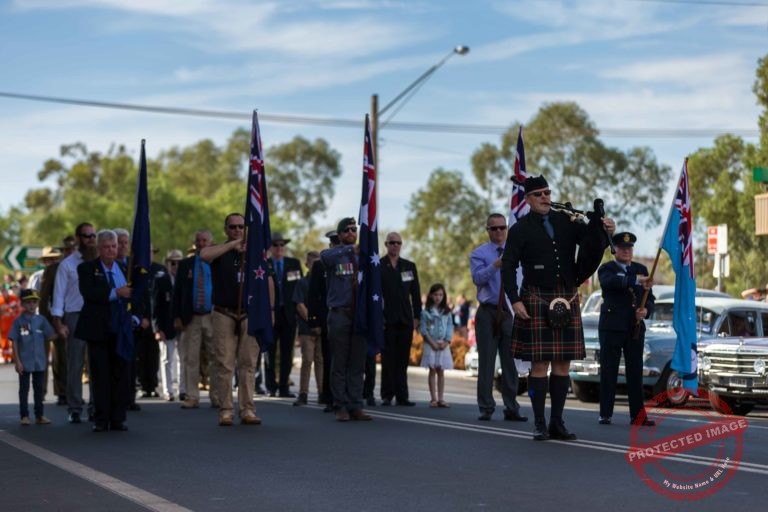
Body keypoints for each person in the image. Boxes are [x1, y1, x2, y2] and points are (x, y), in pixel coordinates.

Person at [502, 175, 615, 441]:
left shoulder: (565, 220)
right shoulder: (520, 229)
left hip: (566, 295)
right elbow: (508, 266)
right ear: (528, 199)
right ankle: (539, 423)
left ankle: (557, 422)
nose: (545, 198)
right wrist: (514, 300)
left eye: (547, 192)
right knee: (539, 365)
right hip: (534, 298)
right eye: (538, 194)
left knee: (563, 364)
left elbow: (590, 239)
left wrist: (604, 229)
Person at [75, 229, 140, 432]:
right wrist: (114, 292)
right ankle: (101, 418)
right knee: (100, 375)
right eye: (107, 247)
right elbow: (89, 293)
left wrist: (135, 317)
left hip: (121, 330)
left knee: (121, 374)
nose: (111, 250)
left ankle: (118, 418)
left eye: (114, 246)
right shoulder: (87, 269)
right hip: (98, 330)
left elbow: (134, 296)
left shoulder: (125, 268)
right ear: (99, 248)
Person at [200, 213, 262, 426]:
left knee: (247, 364)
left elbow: (269, 280)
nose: (237, 230)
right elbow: (204, 255)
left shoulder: (255, 253)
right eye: (233, 227)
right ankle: (226, 409)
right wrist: (233, 245)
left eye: (241, 227)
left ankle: (247, 409)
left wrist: (270, 312)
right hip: (223, 312)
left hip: (248, 313)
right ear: (226, 230)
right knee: (224, 363)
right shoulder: (220, 251)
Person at [470, 213, 527, 423]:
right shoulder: (479, 253)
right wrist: (496, 265)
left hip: (508, 311)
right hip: (488, 311)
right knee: (486, 362)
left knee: (510, 362)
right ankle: (486, 407)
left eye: (502, 227)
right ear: (488, 230)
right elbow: (477, 278)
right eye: (494, 228)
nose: (499, 232)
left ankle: (511, 407)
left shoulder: (516, 251)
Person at [597, 232, 655, 426]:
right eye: (622, 248)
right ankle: (605, 413)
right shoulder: (607, 269)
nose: (626, 251)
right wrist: (637, 281)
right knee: (609, 370)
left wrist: (645, 311)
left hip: (634, 328)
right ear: (615, 250)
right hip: (612, 327)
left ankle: (638, 415)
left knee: (635, 371)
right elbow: (610, 283)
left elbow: (650, 298)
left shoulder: (641, 269)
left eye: (629, 248)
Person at [320, 217, 372, 422]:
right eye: (347, 230)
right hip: (340, 314)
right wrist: (350, 250)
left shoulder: (365, 258)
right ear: (340, 235)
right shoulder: (335, 254)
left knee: (357, 363)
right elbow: (325, 257)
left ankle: (355, 405)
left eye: (354, 229)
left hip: (358, 315)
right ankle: (340, 405)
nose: (352, 232)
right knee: (339, 362)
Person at [51, 222, 98, 424]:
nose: (90, 239)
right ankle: (75, 407)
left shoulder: (101, 262)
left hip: (97, 315)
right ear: (78, 238)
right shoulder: (68, 265)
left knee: (97, 363)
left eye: (93, 236)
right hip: (75, 315)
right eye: (86, 236)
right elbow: (58, 296)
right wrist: (59, 323)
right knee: (75, 363)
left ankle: (96, 406)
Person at [377, 232, 421, 407]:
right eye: (392, 243)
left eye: (398, 243)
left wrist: (417, 317)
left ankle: (402, 396)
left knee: (402, 360)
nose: (395, 245)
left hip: (405, 319)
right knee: (388, 359)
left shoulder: (409, 266)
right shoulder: (379, 265)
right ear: (386, 244)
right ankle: (387, 395)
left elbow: (415, 294)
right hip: (386, 320)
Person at [174, 230, 216, 408]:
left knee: (217, 357)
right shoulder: (186, 264)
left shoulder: (218, 263)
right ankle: (192, 396)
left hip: (214, 316)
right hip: (192, 317)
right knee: (191, 358)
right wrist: (176, 316)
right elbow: (177, 292)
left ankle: (217, 396)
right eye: (198, 240)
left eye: (204, 240)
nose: (201, 243)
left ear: (211, 243)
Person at [9, 289, 56, 425]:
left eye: (34, 302)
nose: (31, 305)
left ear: (37, 304)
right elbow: (15, 341)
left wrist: (61, 332)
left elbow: (50, 335)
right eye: (28, 302)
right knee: (24, 389)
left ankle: (39, 415)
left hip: (40, 362)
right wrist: (17, 361)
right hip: (24, 361)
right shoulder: (18, 322)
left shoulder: (41, 320)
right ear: (22, 304)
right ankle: (24, 416)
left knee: (39, 389)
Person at [39, 236, 75, 406]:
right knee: (60, 357)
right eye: (66, 249)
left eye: (72, 249)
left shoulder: (85, 266)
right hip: (58, 318)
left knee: (76, 357)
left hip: (78, 316)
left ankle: (73, 391)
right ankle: (62, 392)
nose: (69, 252)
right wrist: (48, 324)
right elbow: (44, 298)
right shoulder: (53, 269)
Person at [266, 232, 302, 398]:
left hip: (288, 314)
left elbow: (298, 288)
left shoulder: (293, 263)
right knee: (270, 352)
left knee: (287, 353)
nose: (279, 248)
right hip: (271, 313)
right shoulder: (265, 264)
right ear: (271, 247)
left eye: (282, 245)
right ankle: (271, 386)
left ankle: (284, 386)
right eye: (276, 245)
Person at [308, 230, 339, 412]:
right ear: (330, 246)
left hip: (344, 318)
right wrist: (314, 321)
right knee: (328, 360)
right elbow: (313, 295)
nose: (336, 246)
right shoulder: (320, 266)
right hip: (326, 320)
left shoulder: (350, 263)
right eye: (333, 243)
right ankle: (328, 396)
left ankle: (344, 396)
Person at [292, 251, 323, 406]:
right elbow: (299, 304)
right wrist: (313, 322)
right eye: (313, 264)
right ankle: (303, 393)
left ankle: (322, 393)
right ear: (306, 265)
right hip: (307, 328)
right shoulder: (302, 283)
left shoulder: (325, 282)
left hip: (322, 329)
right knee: (307, 360)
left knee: (321, 360)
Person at [154, 249, 183, 401]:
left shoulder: (185, 280)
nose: (175, 266)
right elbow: (155, 307)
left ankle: (183, 389)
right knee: (167, 358)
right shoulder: (161, 281)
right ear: (167, 264)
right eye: (172, 263)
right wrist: (157, 328)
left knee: (184, 358)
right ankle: (168, 390)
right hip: (166, 325)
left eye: (179, 263)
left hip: (184, 324)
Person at [419, 283, 453, 408]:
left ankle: (441, 398)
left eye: (440, 294)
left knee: (441, 371)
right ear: (431, 296)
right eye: (435, 294)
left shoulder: (447, 311)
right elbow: (423, 329)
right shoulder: (426, 312)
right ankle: (433, 398)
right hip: (430, 344)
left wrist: (447, 341)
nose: (438, 297)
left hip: (443, 343)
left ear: (444, 296)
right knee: (432, 370)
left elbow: (450, 326)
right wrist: (431, 342)